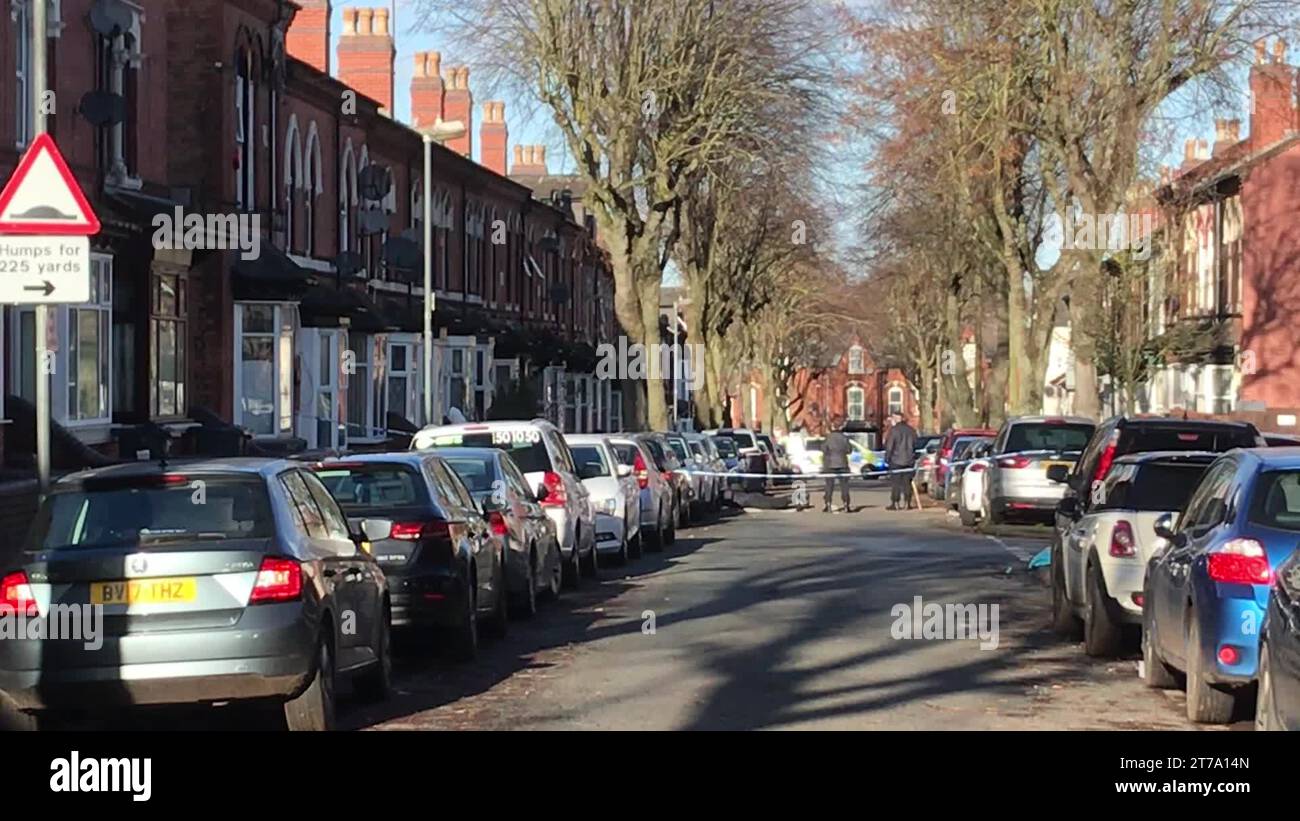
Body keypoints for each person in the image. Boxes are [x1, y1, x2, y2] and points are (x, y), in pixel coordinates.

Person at [884, 412, 918, 510]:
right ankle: (907, 503)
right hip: (909, 460)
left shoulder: (894, 431)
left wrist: (887, 458)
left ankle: (895, 503)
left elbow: (890, 446)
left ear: (897, 419)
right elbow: (916, 445)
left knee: (896, 483)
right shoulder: (911, 430)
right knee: (907, 483)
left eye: (893, 418)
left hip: (896, 460)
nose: (892, 421)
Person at [821, 417, 852, 513]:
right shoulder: (844, 438)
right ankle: (846, 504)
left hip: (830, 464)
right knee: (844, 486)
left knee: (829, 486)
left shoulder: (828, 437)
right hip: (843, 463)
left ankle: (828, 504)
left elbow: (823, 449)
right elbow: (849, 450)